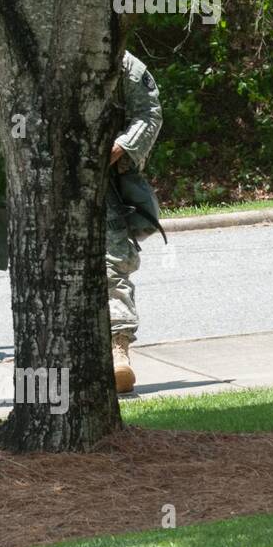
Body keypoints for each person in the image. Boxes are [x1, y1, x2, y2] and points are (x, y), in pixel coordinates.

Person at [107, 50, 163, 393]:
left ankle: (118, 352)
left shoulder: (121, 60)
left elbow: (149, 112)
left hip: (104, 182)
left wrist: (122, 147)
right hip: (50, 188)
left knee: (112, 266)